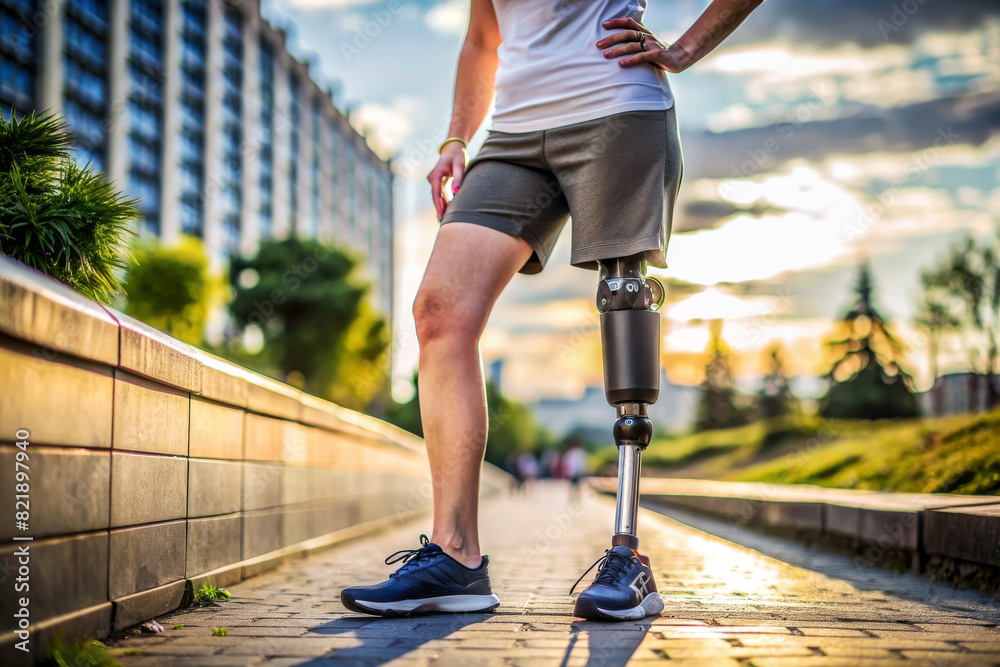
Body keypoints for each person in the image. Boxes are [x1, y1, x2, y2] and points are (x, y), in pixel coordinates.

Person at [341, 0, 763, 621]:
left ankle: (628, 558)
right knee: (439, 312)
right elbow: (483, 41)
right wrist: (457, 137)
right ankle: (455, 558)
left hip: (616, 108)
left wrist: (684, 49)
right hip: (511, 135)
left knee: (623, 297)